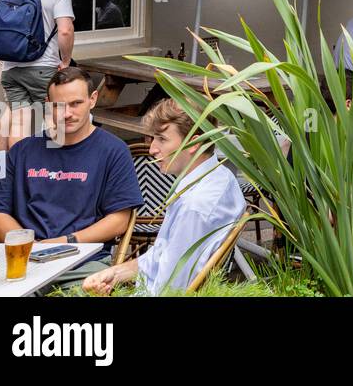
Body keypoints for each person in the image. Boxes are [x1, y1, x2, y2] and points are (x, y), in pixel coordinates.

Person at [0, 67, 142, 287]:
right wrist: (30, 247)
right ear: (48, 103)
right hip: (24, 261)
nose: (67, 113)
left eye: (76, 103)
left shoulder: (113, 151)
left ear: (93, 99)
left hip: (83, 263)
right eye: (59, 106)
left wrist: (63, 244)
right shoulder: (22, 151)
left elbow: (119, 220)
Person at [82, 98, 246, 295]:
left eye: (162, 139)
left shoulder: (195, 207)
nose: (152, 149)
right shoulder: (219, 176)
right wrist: (116, 273)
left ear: (193, 142)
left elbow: (170, 288)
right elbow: (162, 257)